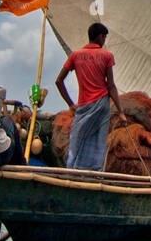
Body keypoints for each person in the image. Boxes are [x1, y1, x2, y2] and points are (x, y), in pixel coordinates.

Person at [53, 22, 125, 170]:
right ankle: (96, 173)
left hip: (83, 107)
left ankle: (73, 172)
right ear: (100, 37)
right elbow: (111, 86)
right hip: (101, 106)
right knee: (98, 143)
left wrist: (70, 104)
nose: (104, 41)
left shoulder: (75, 55)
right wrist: (121, 111)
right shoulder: (106, 56)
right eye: (104, 37)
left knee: (77, 141)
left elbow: (59, 81)